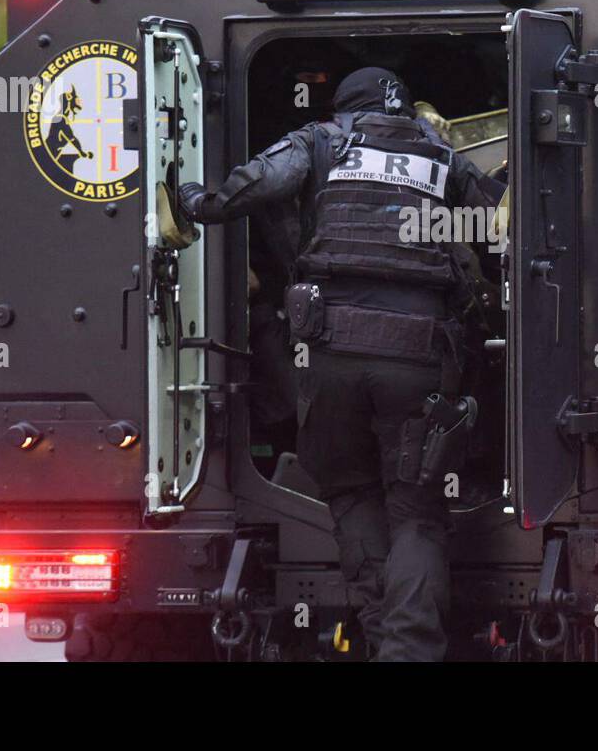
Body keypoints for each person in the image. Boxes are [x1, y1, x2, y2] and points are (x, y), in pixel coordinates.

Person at [177, 67, 505, 661]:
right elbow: (504, 222)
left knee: (352, 492)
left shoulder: (321, 139)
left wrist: (194, 201)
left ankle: (384, 640)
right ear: (406, 111)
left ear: (343, 108)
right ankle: (406, 652)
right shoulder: (442, 157)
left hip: (333, 355)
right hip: (419, 358)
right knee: (416, 513)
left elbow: (254, 186)